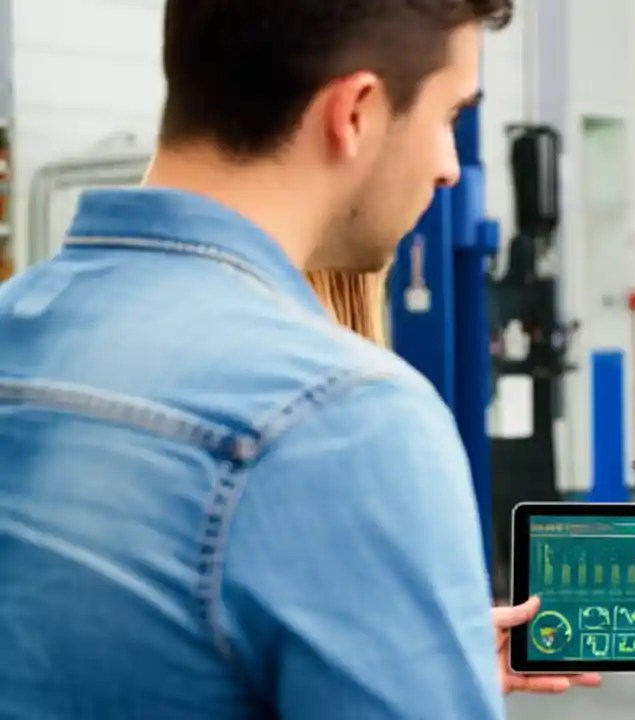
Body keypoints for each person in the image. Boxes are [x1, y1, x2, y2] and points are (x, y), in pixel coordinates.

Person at [0, 1, 598, 718]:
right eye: (448, 117)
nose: (447, 168)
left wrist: (397, 657)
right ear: (355, 112)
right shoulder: (346, 418)